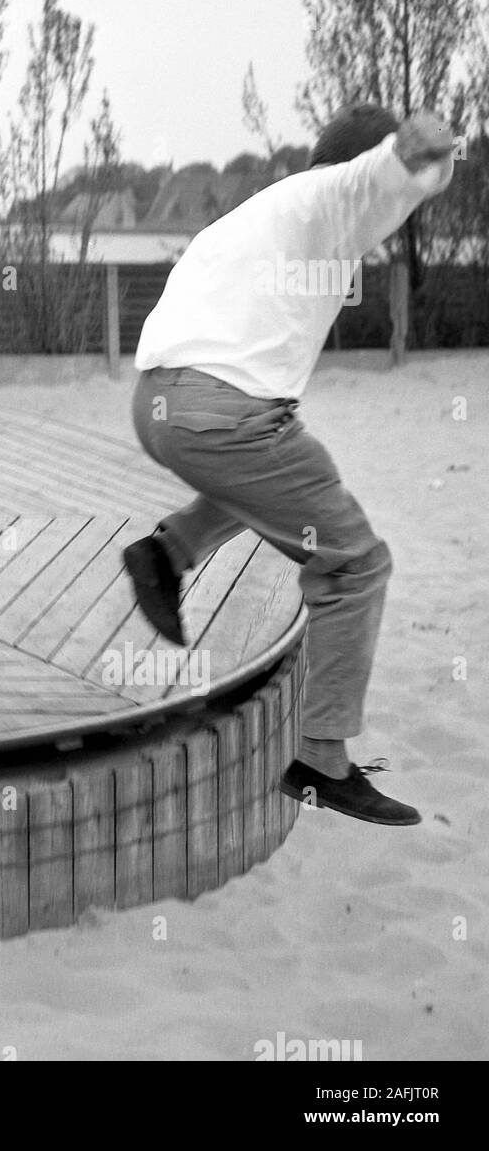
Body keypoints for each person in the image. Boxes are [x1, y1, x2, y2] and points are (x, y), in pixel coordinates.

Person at [124, 104, 456, 826]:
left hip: (161, 404)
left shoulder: (265, 209)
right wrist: (417, 153)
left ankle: (167, 553)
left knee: (276, 475)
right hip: (220, 414)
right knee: (355, 564)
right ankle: (319, 755)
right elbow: (377, 175)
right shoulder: (336, 198)